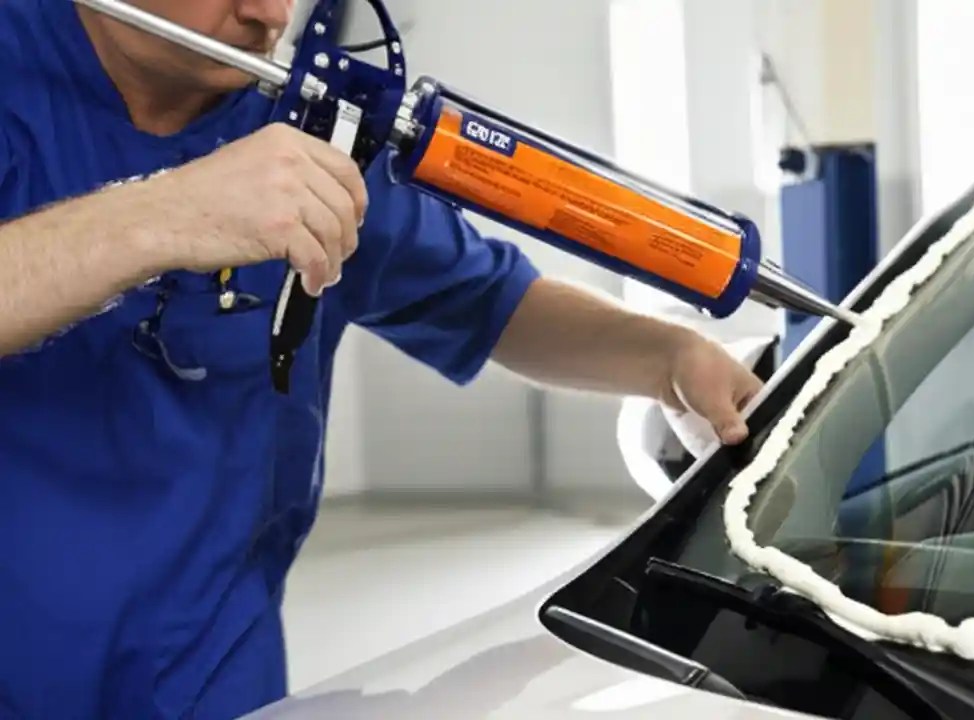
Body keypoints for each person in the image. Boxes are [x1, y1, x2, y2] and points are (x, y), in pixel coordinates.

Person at [0, 0, 765, 716]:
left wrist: (667, 356)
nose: (269, 14)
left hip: (212, 676)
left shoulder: (305, 133)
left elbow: (492, 303)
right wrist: (160, 215)